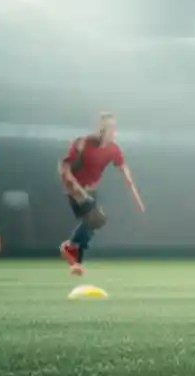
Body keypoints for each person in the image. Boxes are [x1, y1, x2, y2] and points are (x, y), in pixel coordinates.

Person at [57, 112, 144, 276]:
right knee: (96, 218)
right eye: (109, 128)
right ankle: (69, 246)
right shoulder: (84, 143)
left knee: (91, 225)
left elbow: (123, 168)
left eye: (114, 128)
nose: (113, 131)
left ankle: (76, 263)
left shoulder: (113, 149)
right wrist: (71, 183)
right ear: (101, 129)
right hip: (75, 189)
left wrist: (134, 193)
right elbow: (65, 165)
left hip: (91, 190)